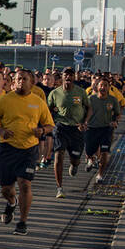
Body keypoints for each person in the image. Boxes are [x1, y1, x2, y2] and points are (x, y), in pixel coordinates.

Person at [0, 68, 53, 234]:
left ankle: (22, 222)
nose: (21, 82)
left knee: (25, 184)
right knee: (6, 190)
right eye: (18, 79)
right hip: (7, 149)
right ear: (13, 81)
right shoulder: (4, 100)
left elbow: (49, 124)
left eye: (24, 79)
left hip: (29, 149)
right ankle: (11, 203)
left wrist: (42, 131)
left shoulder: (38, 102)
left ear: (32, 83)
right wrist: (1, 131)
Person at [47, 68, 89, 198]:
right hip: (61, 127)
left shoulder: (81, 92)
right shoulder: (55, 93)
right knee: (59, 155)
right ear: (63, 77)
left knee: (75, 158)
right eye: (66, 75)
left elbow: (89, 108)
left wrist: (85, 122)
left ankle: (74, 164)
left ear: (74, 77)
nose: (68, 77)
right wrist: (50, 120)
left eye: (71, 75)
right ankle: (59, 187)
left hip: (77, 128)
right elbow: (47, 110)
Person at [84, 74, 121, 184]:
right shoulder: (91, 99)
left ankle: (100, 174)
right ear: (97, 86)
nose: (103, 88)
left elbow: (118, 114)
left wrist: (115, 121)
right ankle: (90, 159)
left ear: (109, 87)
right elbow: (85, 112)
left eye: (105, 85)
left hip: (106, 129)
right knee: (89, 151)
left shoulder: (113, 100)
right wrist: (84, 122)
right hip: (92, 128)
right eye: (101, 85)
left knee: (104, 152)